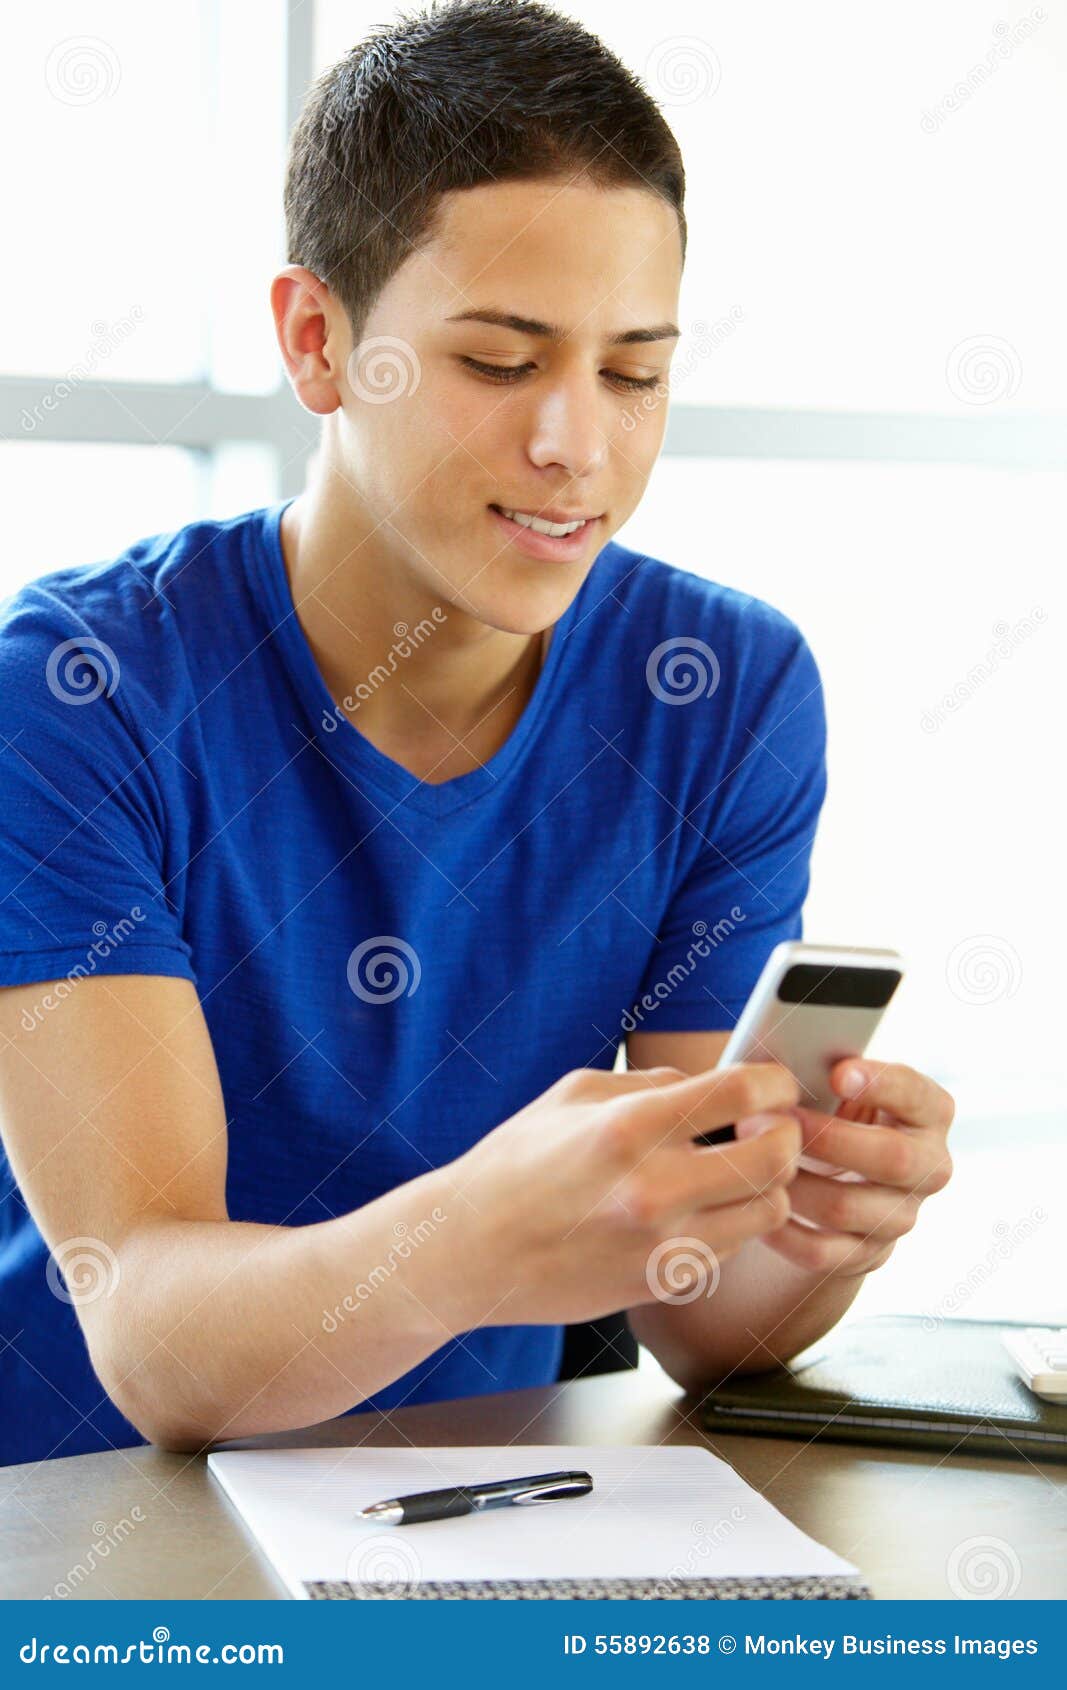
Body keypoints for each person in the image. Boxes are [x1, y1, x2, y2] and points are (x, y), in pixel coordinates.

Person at [0, 0, 955, 1468]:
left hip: (479, 1508)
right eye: (502, 363)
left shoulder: (723, 689)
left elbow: (705, 1318)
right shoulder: (79, 691)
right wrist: (473, 1236)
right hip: (88, 1518)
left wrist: (821, 1228)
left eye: (635, 372)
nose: (581, 444)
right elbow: (155, 1341)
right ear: (319, 341)